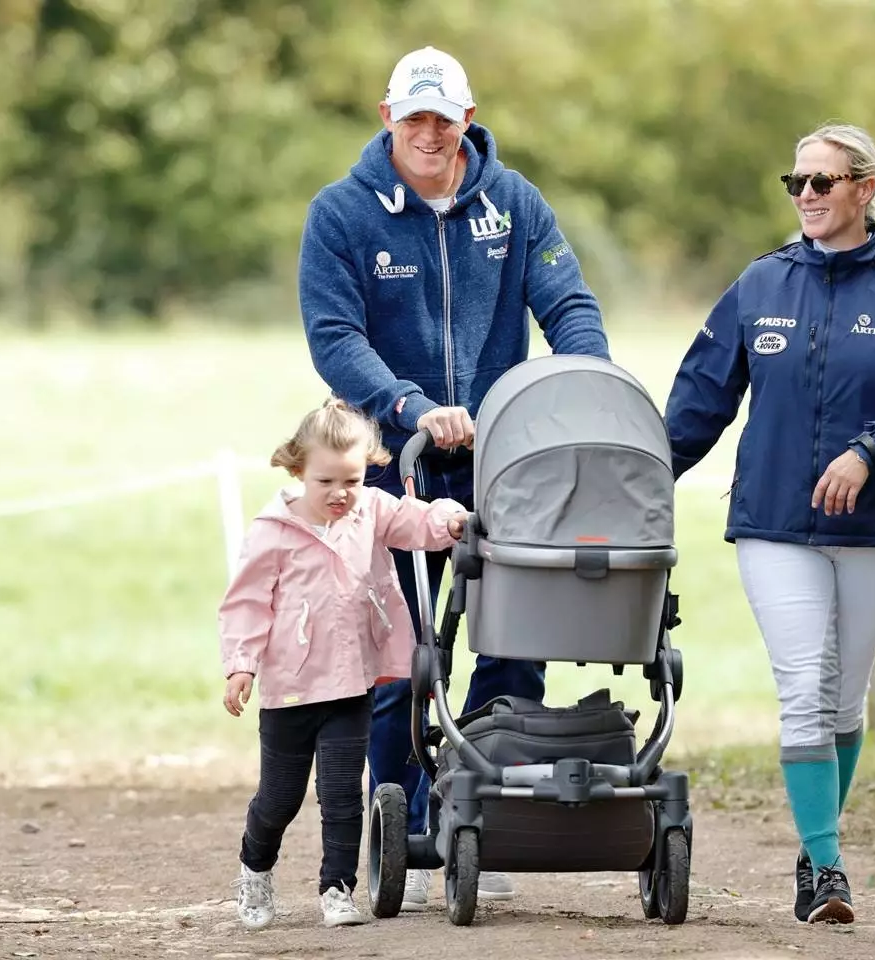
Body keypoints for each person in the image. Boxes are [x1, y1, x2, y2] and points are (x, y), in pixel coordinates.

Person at [295, 45, 611, 908]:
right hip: (392, 467)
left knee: (515, 639)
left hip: (506, 466)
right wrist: (407, 405)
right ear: (387, 118)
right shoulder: (342, 216)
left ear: (468, 119)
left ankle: (484, 813)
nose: (429, 135)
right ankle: (398, 824)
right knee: (400, 657)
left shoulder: (513, 205)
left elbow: (569, 306)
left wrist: (589, 386)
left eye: (444, 119)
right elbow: (334, 335)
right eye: (413, 120)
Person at [662, 122, 875, 925]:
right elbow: (700, 399)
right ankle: (827, 873)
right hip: (772, 522)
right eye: (795, 182)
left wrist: (873, 451)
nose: (804, 195)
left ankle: (815, 839)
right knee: (803, 688)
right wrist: (641, 475)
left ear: (863, 191)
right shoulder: (760, 285)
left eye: (821, 183)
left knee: (843, 701)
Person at [219, 398, 468, 930]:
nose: (340, 494)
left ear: (368, 471)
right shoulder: (273, 530)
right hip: (289, 691)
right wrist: (241, 663)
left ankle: (337, 890)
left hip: (351, 684)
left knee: (342, 796)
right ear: (298, 471)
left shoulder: (370, 510)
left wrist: (450, 519)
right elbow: (246, 603)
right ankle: (255, 868)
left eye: (351, 480)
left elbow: (415, 521)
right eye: (326, 481)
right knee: (279, 799)